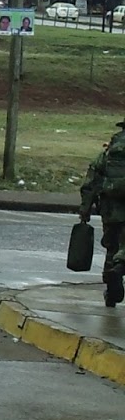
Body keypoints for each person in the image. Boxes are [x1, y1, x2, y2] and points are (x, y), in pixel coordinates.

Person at [80, 118, 125, 308]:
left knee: (111, 246)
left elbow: (93, 179)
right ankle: (119, 268)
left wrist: (85, 209)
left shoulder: (110, 152)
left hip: (110, 209)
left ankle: (111, 288)